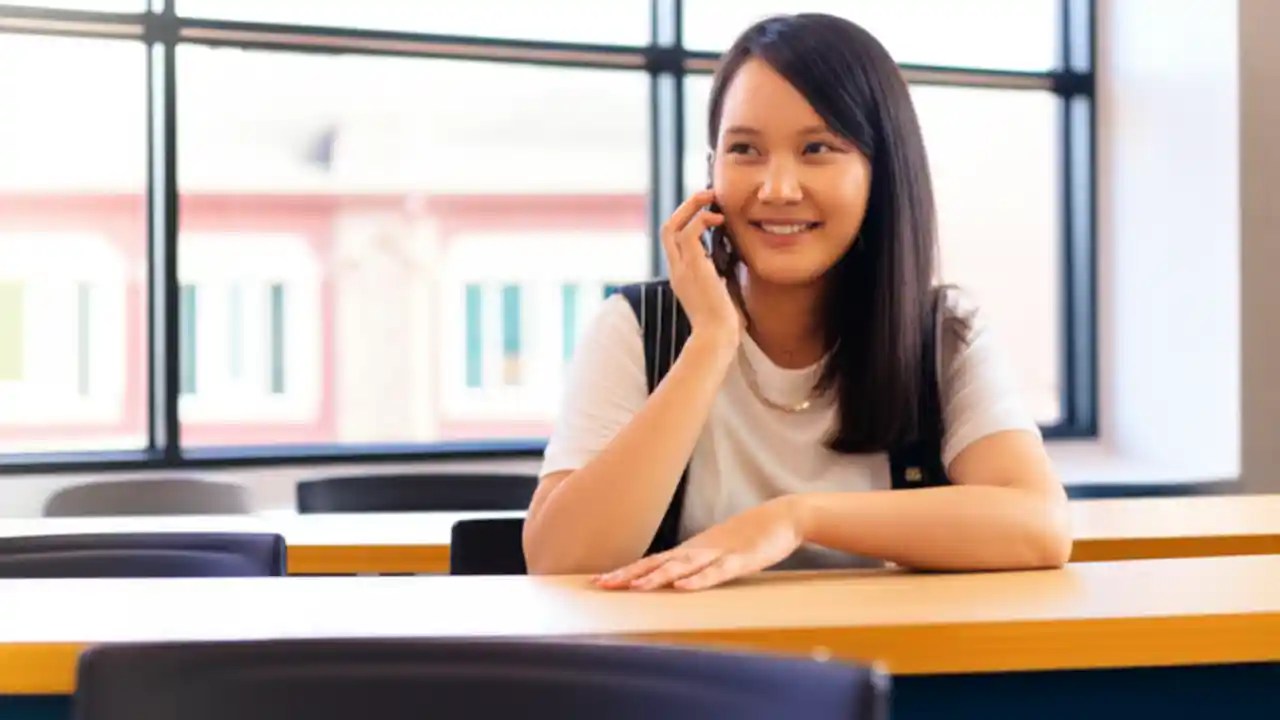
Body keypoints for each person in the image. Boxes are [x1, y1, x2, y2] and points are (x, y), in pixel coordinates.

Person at [522, 13, 1072, 590]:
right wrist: (710, 343)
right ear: (712, 171)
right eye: (744, 150)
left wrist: (796, 517)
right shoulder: (637, 329)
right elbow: (561, 561)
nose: (777, 189)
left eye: (816, 148)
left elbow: (1038, 526)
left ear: (879, 173)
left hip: (896, 669)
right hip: (694, 671)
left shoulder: (942, 334)